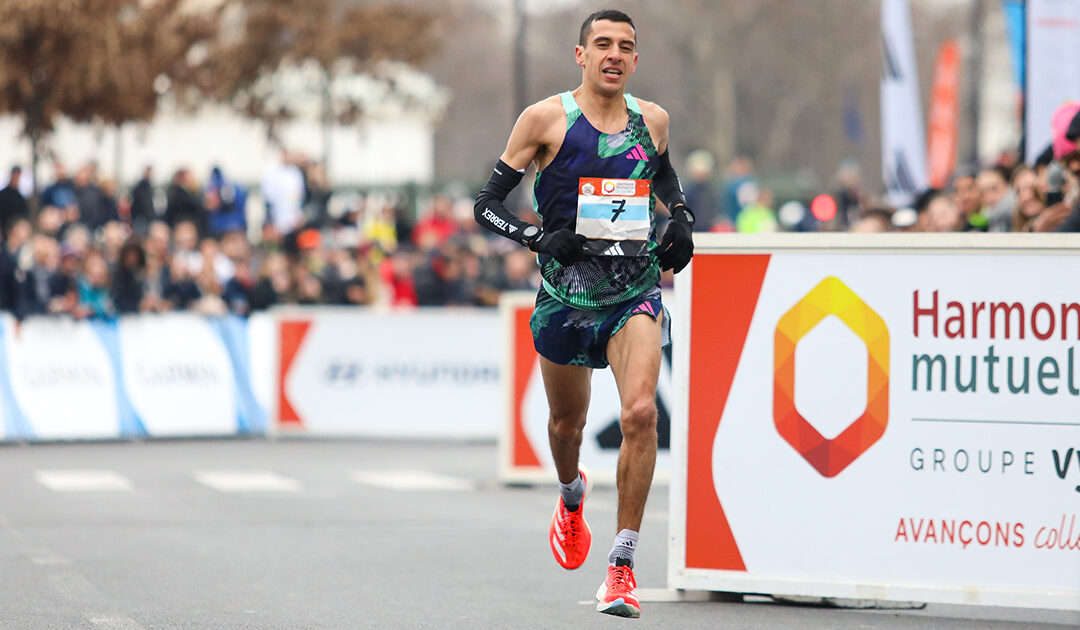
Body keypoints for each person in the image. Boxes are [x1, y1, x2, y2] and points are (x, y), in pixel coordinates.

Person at [472, 9, 694, 619]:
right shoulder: (545, 119)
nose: (613, 54)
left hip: (634, 292)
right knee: (566, 427)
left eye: (625, 46)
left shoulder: (653, 120)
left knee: (641, 413)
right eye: (602, 44)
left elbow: (663, 174)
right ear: (581, 55)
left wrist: (681, 218)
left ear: (635, 59)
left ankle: (622, 568)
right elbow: (485, 204)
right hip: (566, 300)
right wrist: (536, 237)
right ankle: (571, 495)